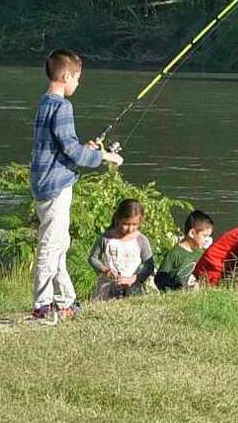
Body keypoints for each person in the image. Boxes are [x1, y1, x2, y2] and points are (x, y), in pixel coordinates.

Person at [30, 49, 123, 322]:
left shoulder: (44, 103)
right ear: (67, 75)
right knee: (50, 246)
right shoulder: (63, 107)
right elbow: (71, 150)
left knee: (59, 244)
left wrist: (85, 149)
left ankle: (66, 301)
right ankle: (42, 306)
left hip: (44, 181)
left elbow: (61, 147)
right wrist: (105, 156)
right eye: (78, 78)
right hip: (56, 186)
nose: (79, 84)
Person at [88, 199, 155, 299]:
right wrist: (105, 270)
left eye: (134, 225)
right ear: (118, 219)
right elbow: (93, 258)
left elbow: (149, 265)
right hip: (107, 287)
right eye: (126, 224)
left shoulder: (141, 240)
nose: (130, 228)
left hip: (132, 288)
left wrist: (134, 279)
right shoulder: (106, 238)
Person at [154, 210, 214, 292]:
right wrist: (170, 293)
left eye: (209, 236)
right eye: (204, 236)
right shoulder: (175, 254)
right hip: (175, 297)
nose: (207, 240)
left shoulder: (202, 253)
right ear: (192, 233)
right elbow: (160, 279)